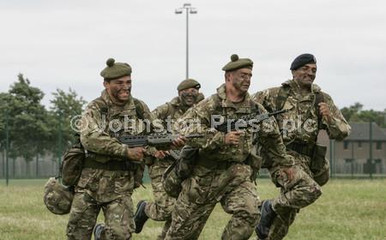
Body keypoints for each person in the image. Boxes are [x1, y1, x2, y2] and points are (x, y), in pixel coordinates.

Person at [164, 54, 294, 240]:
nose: (247, 79)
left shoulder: (256, 110)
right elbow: (182, 127)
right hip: (203, 178)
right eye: (242, 75)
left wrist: (285, 163)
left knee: (250, 212)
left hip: (237, 174)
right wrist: (219, 138)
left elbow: (273, 138)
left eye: (249, 75)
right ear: (228, 77)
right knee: (180, 235)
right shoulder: (210, 105)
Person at [66, 58, 184, 240]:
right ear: (106, 84)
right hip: (89, 184)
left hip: (121, 186)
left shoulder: (138, 108)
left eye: (128, 82)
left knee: (121, 235)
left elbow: (156, 131)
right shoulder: (96, 108)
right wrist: (125, 151)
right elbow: (89, 138)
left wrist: (171, 142)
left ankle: (102, 234)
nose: (125, 87)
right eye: (119, 83)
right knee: (77, 235)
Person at [252, 53, 351, 240]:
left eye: (313, 70)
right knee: (310, 189)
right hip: (282, 157)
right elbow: (245, 107)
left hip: (309, 162)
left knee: (285, 216)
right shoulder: (274, 95)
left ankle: (268, 222)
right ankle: (267, 207)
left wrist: (329, 118)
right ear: (294, 71)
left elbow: (343, 132)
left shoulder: (322, 98)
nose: (310, 73)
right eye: (305, 69)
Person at [134, 78, 204, 239]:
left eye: (195, 91)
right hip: (161, 163)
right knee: (167, 209)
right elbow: (142, 130)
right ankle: (145, 208)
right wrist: (153, 150)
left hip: (183, 166)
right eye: (187, 91)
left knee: (181, 210)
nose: (191, 95)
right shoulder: (166, 110)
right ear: (179, 93)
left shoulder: (200, 111)